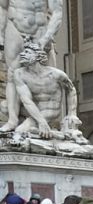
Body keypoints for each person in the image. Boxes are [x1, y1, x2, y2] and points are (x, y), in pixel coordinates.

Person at [0, 0, 64, 133]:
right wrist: (0, 36)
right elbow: (2, 8)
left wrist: (47, 37)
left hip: (41, 32)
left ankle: (40, 120)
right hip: (14, 29)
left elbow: (57, 12)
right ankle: (12, 120)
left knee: (49, 78)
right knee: (12, 74)